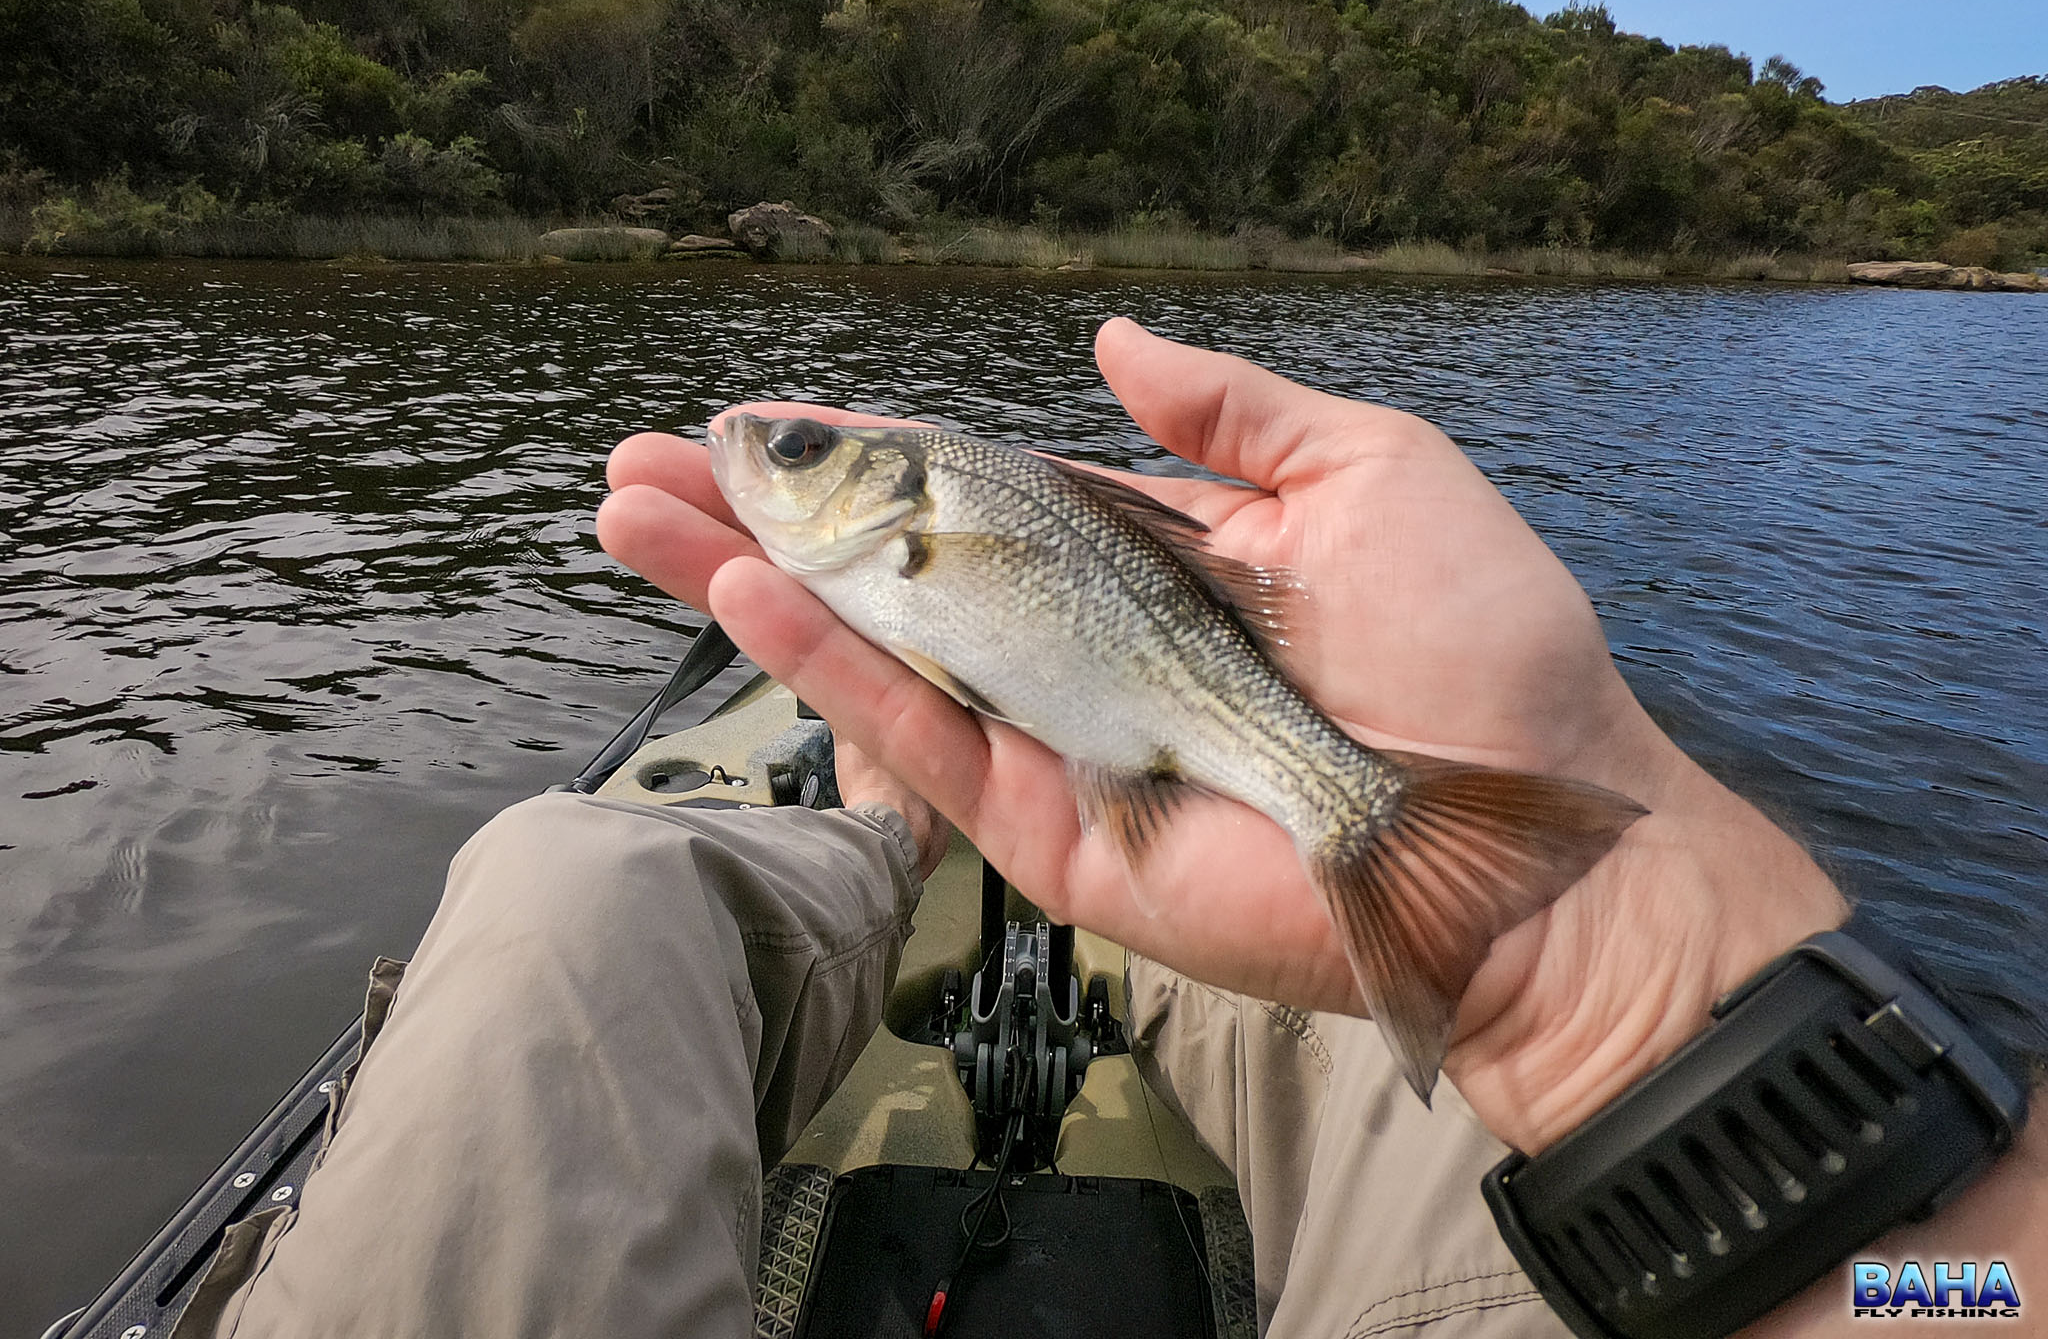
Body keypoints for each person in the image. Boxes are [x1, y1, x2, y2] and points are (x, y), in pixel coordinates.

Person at [173, 320, 2043, 1338]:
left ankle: (884, 831)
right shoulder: (1954, 1296)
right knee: (1349, 1051)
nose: (771, 447)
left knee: (560, 886)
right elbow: (1960, 1302)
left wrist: (1603, 970)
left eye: (807, 451)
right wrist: (1657, 977)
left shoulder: (925, 507)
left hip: (1128, 733)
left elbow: (1969, 1308)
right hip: (1147, 748)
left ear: (880, 489)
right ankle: (949, 823)